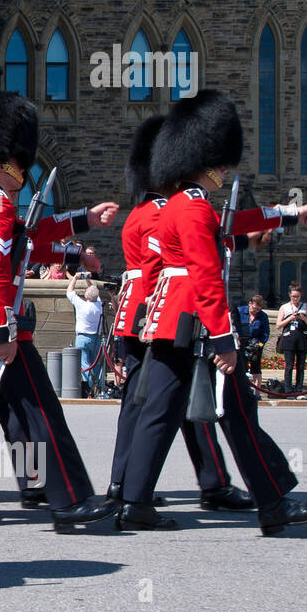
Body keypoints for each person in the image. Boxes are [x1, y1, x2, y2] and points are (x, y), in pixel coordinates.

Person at [119, 90, 307, 534]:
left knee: (160, 411)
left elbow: (233, 226)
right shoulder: (193, 207)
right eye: (221, 163)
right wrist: (222, 339)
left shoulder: (182, 204)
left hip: (171, 321)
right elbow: (207, 277)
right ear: (206, 159)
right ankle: (272, 504)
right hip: (194, 322)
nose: (225, 171)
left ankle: (133, 500)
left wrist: (289, 215)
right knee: (239, 412)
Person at [0, 90, 121, 531]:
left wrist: (84, 221)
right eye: (19, 163)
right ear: (2, 160)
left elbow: (30, 237)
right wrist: (3, 332)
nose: (24, 170)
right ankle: (70, 500)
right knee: (40, 408)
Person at [106, 115, 250, 513]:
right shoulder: (162, 211)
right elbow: (172, 268)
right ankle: (189, 483)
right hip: (163, 312)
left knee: (154, 402)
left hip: (143, 312)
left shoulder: (147, 210)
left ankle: (131, 482)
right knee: (171, 402)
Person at [66, 273, 105, 397]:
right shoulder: (99, 306)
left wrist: (75, 278)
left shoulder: (82, 305)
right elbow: (95, 293)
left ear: (86, 296)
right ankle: (99, 387)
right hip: (96, 338)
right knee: (96, 364)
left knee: (85, 365)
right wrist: (88, 280)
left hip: (82, 337)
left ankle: (88, 389)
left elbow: (70, 292)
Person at [276, 283, 307, 397]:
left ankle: (299, 390)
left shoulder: (305, 306)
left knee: (301, 366)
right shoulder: (284, 307)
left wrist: (304, 318)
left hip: (302, 339)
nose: (295, 299)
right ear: (289, 295)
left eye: (297, 296)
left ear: (301, 295)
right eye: (293, 296)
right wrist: (290, 318)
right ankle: (288, 390)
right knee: (289, 366)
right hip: (289, 339)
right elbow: (278, 325)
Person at [240, 294, 269, 386]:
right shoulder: (239, 311)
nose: (256, 311)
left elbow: (265, 333)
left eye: (258, 309)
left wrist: (259, 345)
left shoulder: (263, 316)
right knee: (241, 368)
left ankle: (257, 392)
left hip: (256, 345)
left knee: (256, 369)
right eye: (254, 308)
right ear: (250, 303)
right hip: (241, 344)